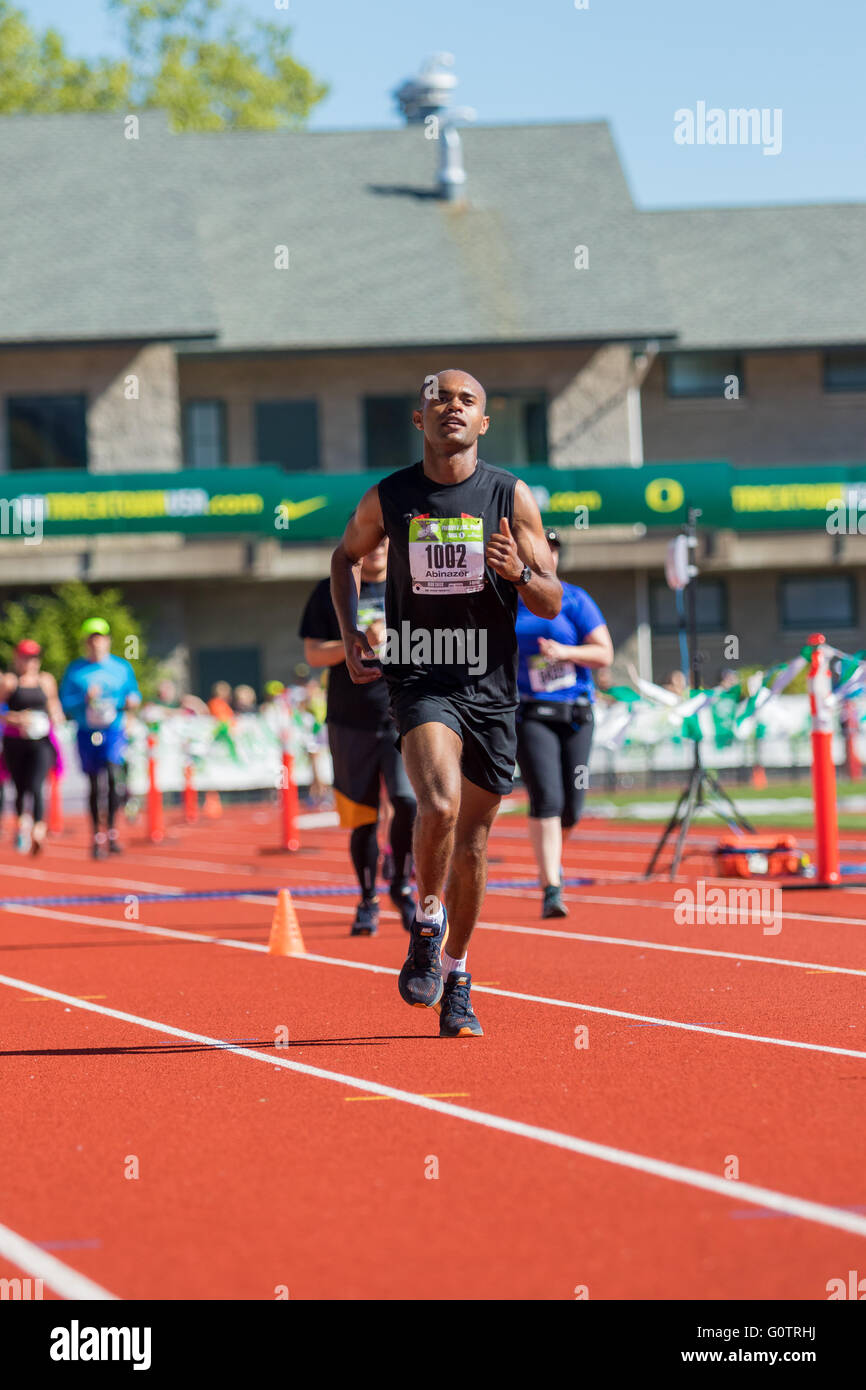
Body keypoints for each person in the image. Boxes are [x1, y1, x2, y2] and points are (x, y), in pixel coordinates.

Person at [330, 368, 561, 1037]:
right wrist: (350, 635)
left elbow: (551, 598)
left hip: (491, 684)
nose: (452, 407)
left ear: (484, 422)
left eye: (468, 400)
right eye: (440, 398)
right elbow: (343, 558)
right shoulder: (392, 495)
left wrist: (516, 570)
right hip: (419, 673)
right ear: (419, 418)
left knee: (474, 846)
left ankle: (457, 973)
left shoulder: (510, 497)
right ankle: (425, 926)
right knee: (438, 804)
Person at [300, 535, 418, 935]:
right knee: (363, 817)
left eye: (384, 542)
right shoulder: (332, 589)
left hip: (402, 714)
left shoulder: (411, 583)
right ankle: (367, 899)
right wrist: (357, 639)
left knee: (407, 801)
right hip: (350, 719)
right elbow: (315, 654)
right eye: (369, 542)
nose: (376, 549)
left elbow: (432, 643)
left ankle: (401, 883)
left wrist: (394, 638)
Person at [514, 531, 614, 917]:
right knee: (547, 799)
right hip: (531, 713)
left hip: (575, 713)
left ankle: (552, 856)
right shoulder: (510, 599)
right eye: (539, 548)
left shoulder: (574, 599)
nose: (545, 555)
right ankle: (551, 886)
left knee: (573, 805)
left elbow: (603, 652)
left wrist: (565, 652)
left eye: (552, 549)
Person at [59, 618, 141, 858]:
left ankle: (113, 831)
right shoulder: (75, 670)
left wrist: (132, 701)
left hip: (113, 730)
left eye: (100, 638)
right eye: (92, 639)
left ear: (108, 641)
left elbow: (133, 693)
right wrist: (84, 698)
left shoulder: (121, 668)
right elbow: (65, 702)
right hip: (87, 731)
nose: (96, 643)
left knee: (114, 776)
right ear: (86, 643)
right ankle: (97, 836)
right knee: (95, 784)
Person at [0, 640, 64, 854]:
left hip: (41, 741)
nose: (30, 662)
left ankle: (38, 829)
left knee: (37, 785)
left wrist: (56, 715)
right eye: (25, 657)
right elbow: (1, 711)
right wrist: (18, 719)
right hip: (16, 742)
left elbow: (54, 704)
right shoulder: (9, 682)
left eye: (33, 657)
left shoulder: (46, 680)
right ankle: (22, 824)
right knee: (20, 788)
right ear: (17, 658)